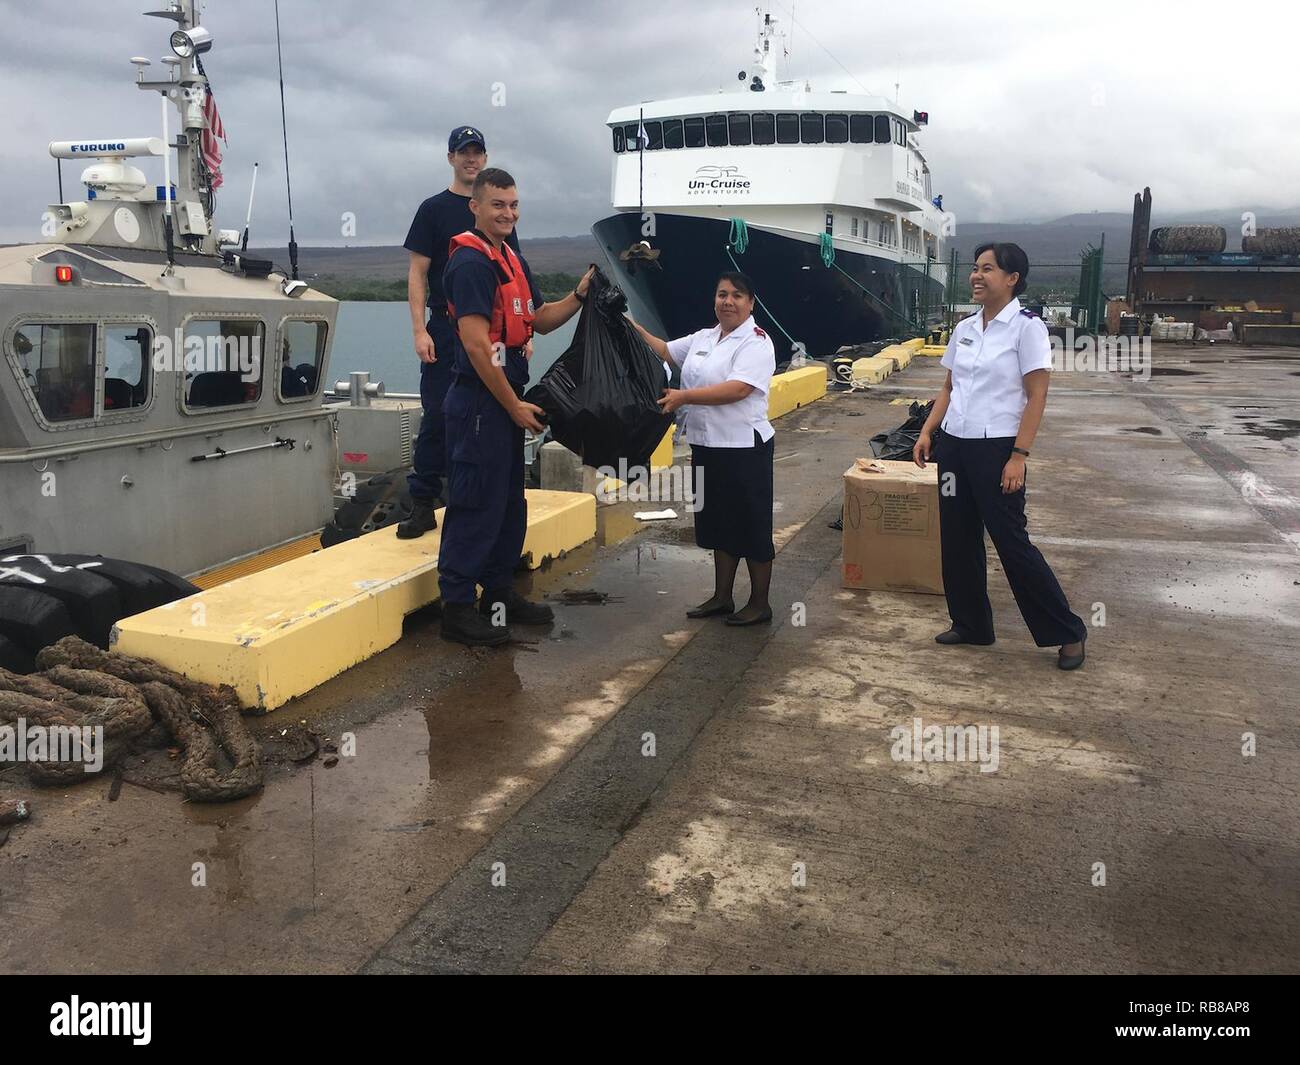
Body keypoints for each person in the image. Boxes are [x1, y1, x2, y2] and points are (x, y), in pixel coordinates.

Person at [913, 242, 1088, 670]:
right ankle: (971, 624)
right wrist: (927, 431)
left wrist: (1019, 455)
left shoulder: (1026, 328)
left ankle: (1068, 632)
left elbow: (1037, 393)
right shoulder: (965, 328)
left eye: (987, 269)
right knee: (957, 538)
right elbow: (949, 388)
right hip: (954, 445)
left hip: (997, 449)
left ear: (1012, 279)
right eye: (975, 269)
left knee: (1012, 543)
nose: (976, 276)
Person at [437, 168, 593, 646]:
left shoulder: (511, 259)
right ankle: (458, 606)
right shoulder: (470, 265)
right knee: (474, 502)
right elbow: (479, 348)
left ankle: (499, 595)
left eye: (513, 205)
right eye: (498, 204)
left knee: (508, 503)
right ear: (476, 206)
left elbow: (540, 321)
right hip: (481, 403)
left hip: (503, 403)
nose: (508, 212)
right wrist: (514, 408)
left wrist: (579, 295)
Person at [632, 272, 777, 626]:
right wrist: (626, 321)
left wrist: (684, 396)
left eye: (737, 296)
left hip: (744, 446)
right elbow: (664, 350)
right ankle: (722, 597)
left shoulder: (757, 342)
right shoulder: (703, 338)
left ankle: (760, 603)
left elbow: (739, 389)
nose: (728, 301)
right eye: (722, 294)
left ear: (750, 303)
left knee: (751, 524)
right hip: (707, 444)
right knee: (716, 521)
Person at [398, 125, 521, 539]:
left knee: (490, 413)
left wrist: (526, 333)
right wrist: (420, 331)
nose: (471, 158)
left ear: (484, 159)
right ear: (450, 157)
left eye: (477, 152)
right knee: (438, 414)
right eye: (463, 152)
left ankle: (471, 503)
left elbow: (512, 275)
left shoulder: (496, 211)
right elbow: (417, 274)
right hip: (447, 333)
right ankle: (422, 502)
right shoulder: (433, 210)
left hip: (494, 335)